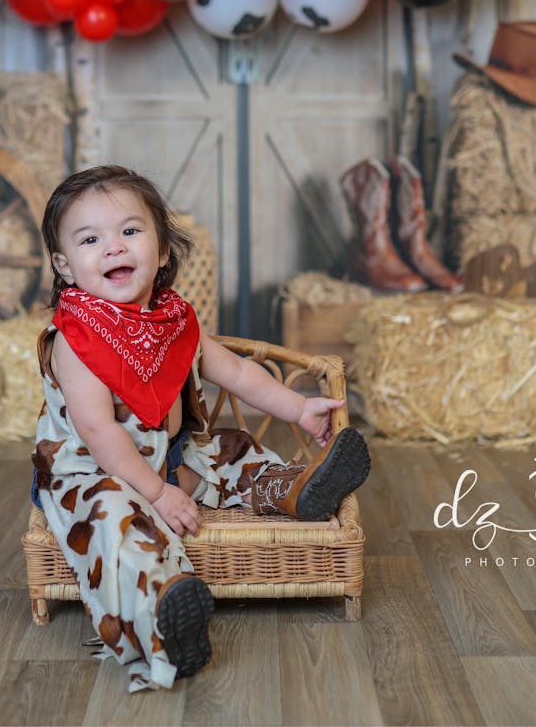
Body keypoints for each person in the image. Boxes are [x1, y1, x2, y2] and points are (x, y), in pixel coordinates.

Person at [31, 165, 370, 692]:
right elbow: (98, 432)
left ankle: (296, 491)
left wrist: (297, 409)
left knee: (233, 448)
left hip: (168, 458)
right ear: (64, 264)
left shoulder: (175, 320)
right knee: (115, 525)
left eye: (129, 231)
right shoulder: (76, 339)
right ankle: (167, 613)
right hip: (98, 475)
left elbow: (235, 371)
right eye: (91, 239)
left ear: (163, 250)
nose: (114, 247)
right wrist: (156, 493)